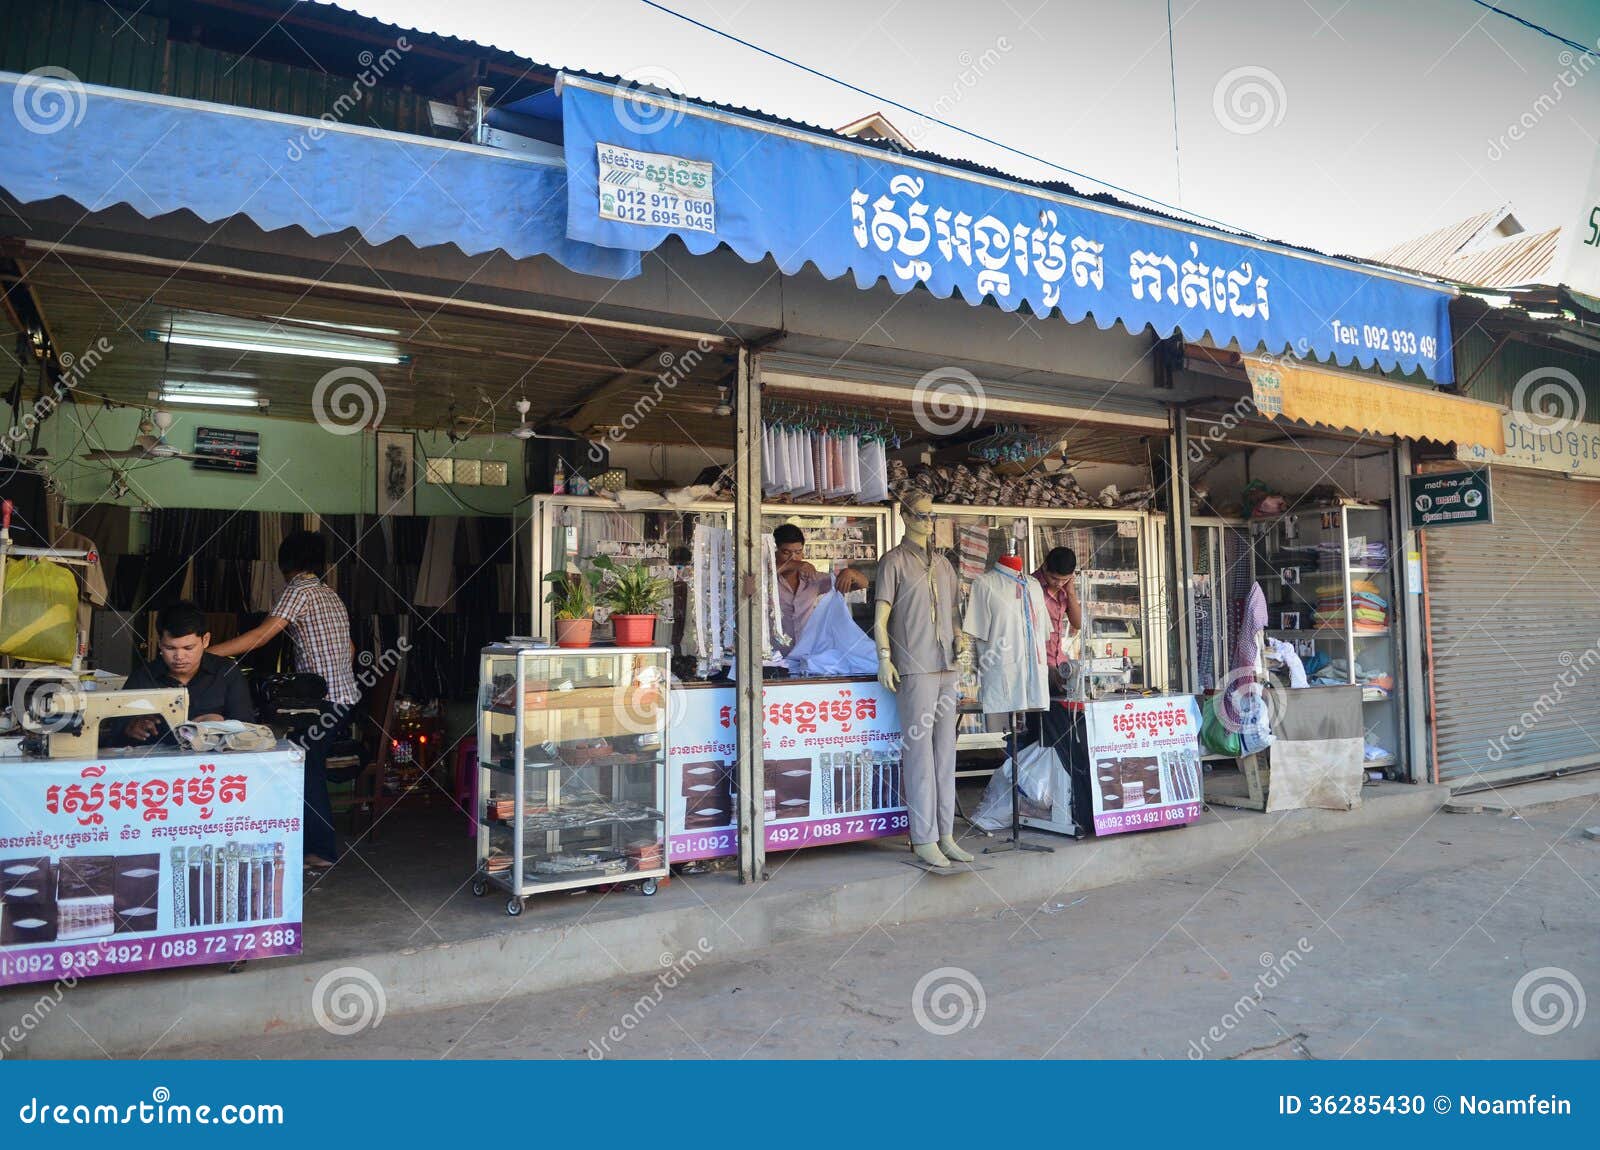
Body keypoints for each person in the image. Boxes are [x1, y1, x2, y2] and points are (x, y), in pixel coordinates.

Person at [212, 531, 358, 871]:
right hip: (345, 698)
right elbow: (350, 649)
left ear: (284, 565)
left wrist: (206, 654)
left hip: (324, 704)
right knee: (308, 765)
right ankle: (308, 844)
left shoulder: (298, 590)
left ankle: (321, 851)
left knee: (304, 768)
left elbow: (262, 636)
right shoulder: (330, 594)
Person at [121, 601, 256, 745]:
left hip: (215, 762)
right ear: (159, 643)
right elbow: (112, 735)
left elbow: (247, 729)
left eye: (188, 648)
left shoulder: (226, 672)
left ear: (205, 640)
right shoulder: (142, 677)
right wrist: (130, 729)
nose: (179, 656)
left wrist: (220, 725)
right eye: (170, 648)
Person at [773, 523, 868, 656]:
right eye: (786, 552)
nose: (793, 558)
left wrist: (849, 573)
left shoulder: (812, 578)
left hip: (807, 654)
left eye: (798, 552)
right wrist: (798, 565)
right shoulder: (767, 579)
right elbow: (767, 570)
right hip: (773, 655)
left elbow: (863, 584)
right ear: (775, 551)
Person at [1033, 546, 1084, 687]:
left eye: (1064, 580)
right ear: (1044, 567)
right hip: (1037, 667)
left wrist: (1071, 593)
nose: (1059, 583)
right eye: (1054, 578)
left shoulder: (1065, 589)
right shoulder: (1030, 587)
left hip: (1059, 666)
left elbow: (1078, 624)